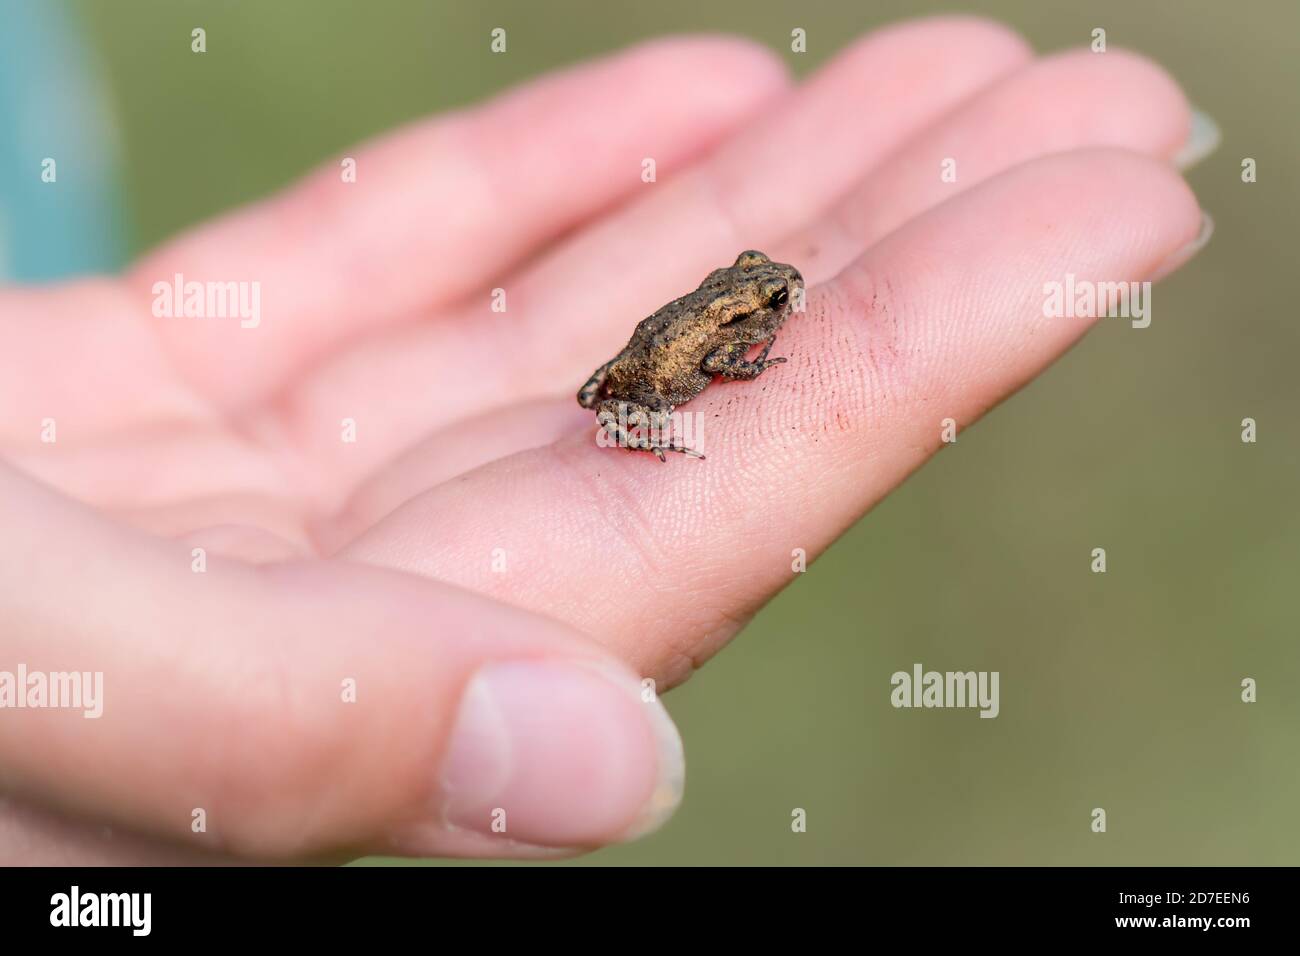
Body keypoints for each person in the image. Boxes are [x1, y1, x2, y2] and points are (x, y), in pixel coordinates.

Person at [0, 17, 1212, 863]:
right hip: (638, 379)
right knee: (658, 414)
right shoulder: (738, 336)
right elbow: (723, 359)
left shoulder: (736, 294)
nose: (776, 303)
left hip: (634, 352)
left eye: (768, 294)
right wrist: (733, 368)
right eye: (766, 296)